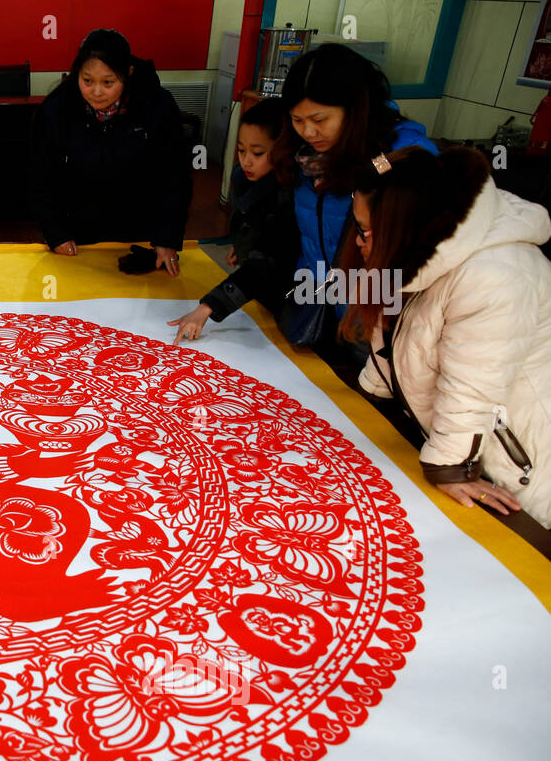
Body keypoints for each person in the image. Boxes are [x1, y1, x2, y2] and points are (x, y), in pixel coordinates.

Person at [342, 146, 551, 528]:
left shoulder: (496, 273)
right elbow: (399, 333)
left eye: (365, 230)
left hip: (517, 459)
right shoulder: (423, 252)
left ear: (402, 226)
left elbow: (473, 383)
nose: (357, 241)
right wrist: (372, 393)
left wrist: (451, 468)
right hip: (462, 441)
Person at [271, 42, 437, 344]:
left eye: (320, 120)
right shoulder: (304, 156)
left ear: (356, 110)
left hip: (384, 320)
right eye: (298, 120)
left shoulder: (400, 158)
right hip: (322, 308)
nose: (308, 132)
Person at [30, 28, 191, 276]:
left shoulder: (157, 106)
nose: (96, 92)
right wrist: (56, 232)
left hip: (139, 233)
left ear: (128, 73)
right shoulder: (57, 109)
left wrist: (167, 237)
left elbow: (175, 176)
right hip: (78, 233)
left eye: (108, 82)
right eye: (87, 81)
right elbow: (41, 176)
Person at [170, 98, 299, 343]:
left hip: (288, 292)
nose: (246, 160)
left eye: (258, 153)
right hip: (262, 290)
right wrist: (243, 245)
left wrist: (207, 307)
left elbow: (266, 265)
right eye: (241, 150)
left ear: (284, 150)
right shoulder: (247, 180)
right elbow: (253, 227)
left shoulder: (288, 197)